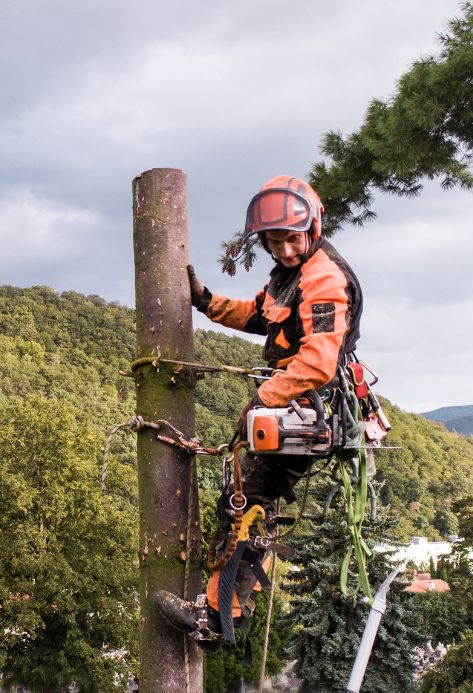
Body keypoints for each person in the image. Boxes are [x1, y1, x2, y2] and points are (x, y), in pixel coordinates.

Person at [154, 174, 363, 647]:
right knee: (247, 501)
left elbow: (318, 362)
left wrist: (266, 397)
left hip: (306, 408)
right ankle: (223, 609)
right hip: (293, 407)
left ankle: (216, 616)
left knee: (245, 506)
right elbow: (257, 314)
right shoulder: (288, 276)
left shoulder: (325, 278)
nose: (285, 249)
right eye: (275, 240)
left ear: (312, 227)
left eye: (292, 238)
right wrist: (207, 303)